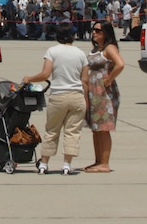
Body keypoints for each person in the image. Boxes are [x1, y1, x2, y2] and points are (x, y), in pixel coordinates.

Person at [22, 21, 88, 175]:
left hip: (58, 95)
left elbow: (45, 74)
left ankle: (44, 163)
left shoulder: (52, 51)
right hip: (76, 95)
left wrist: (29, 78)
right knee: (72, 132)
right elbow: (84, 79)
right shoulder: (80, 54)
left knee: (52, 130)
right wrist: (85, 98)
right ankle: (67, 164)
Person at [84, 20, 125, 172]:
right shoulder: (96, 49)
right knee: (96, 128)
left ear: (106, 33)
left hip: (104, 93)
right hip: (93, 92)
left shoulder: (110, 48)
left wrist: (109, 78)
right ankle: (98, 160)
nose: (94, 33)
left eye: (98, 31)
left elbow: (120, 64)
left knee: (104, 127)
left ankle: (105, 163)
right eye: (93, 30)